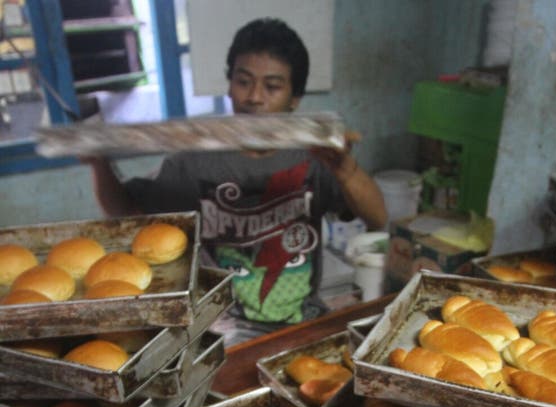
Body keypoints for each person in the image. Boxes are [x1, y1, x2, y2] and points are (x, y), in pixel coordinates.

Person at [85, 17, 386, 335]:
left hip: (301, 319)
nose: (254, 97)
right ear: (229, 85)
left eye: (272, 87)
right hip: (221, 326)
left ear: (294, 99)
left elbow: (378, 218)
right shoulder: (194, 159)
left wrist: (344, 169)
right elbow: (126, 214)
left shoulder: (313, 157)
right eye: (244, 82)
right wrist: (98, 164)